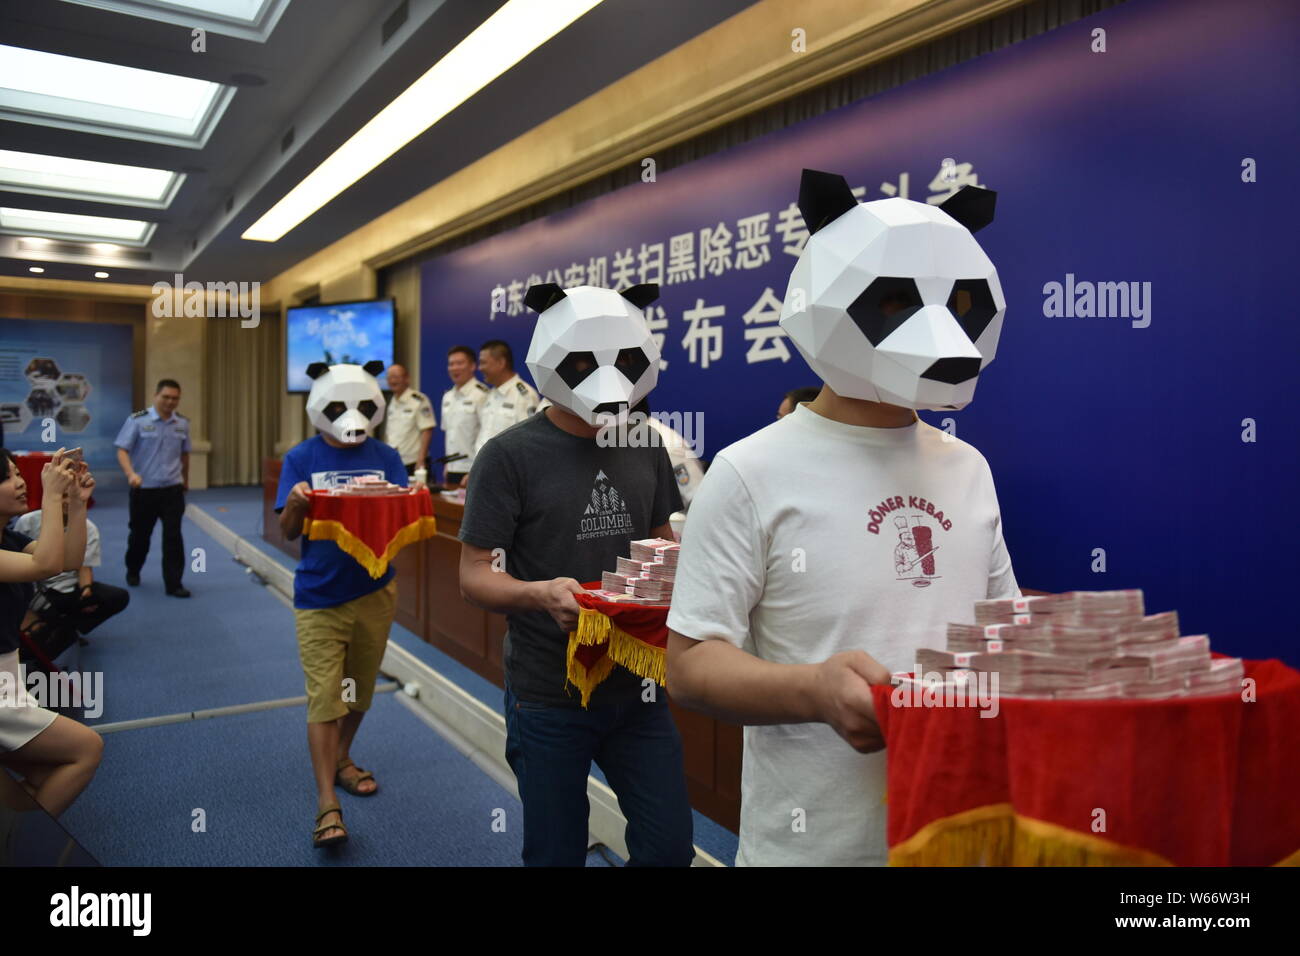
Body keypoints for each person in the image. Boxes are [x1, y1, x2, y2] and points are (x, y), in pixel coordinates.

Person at [665, 170, 1018, 866]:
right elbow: (690, 666)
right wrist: (813, 689)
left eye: (964, 303)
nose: (941, 331)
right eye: (895, 301)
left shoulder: (968, 467)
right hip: (813, 843)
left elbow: (1001, 629)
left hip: (956, 830)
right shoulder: (747, 471)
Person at [459, 282, 693, 867]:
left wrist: (683, 567)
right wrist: (538, 595)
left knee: (668, 849)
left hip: (639, 685)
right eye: (585, 362)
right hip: (549, 691)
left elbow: (661, 539)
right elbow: (473, 575)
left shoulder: (645, 445)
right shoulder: (508, 456)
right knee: (556, 851)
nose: (605, 379)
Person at [275, 361, 408, 848]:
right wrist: (295, 504)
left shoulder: (387, 455)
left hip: (375, 592)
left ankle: (343, 756)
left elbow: (401, 525)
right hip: (319, 595)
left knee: (358, 691)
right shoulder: (300, 456)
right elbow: (288, 532)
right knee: (325, 696)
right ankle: (326, 800)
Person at [0, 448, 103, 817]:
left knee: (43, 780)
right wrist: (51, 496)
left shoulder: (8, 539)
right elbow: (45, 564)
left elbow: (67, 562)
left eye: (18, 473)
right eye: (8, 476)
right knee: (87, 749)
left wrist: (76, 503)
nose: (20, 481)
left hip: (8, 678)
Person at [14, 498, 128, 649]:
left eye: (72, 495)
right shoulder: (27, 522)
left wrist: (86, 592)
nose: (67, 500)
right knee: (40, 631)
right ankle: (60, 627)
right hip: (37, 589)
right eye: (63, 495)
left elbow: (83, 567)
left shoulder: (88, 527)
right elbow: (20, 570)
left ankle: (67, 627)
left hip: (69, 589)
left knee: (118, 597)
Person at [115, 379, 191, 597]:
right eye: (165, 397)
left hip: (172, 490)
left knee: (173, 537)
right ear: (156, 396)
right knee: (140, 536)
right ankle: (133, 569)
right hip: (144, 490)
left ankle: (174, 583)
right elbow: (122, 450)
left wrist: (185, 480)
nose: (170, 402)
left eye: (174, 398)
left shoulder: (182, 423)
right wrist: (131, 474)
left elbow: (185, 455)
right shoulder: (137, 420)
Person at [472, 340, 539, 460]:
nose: (479, 368)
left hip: (508, 474)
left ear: (501, 363)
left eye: (483, 363)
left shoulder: (524, 395)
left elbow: (530, 441)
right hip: (482, 468)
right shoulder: (490, 395)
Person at [440, 345, 488, 487]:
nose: (454, 368)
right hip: (452, 469)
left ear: (473, 366)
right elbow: (450, 434)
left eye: (460, 363)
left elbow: (487, 434)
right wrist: (447, 466)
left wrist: (476, 469)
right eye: (451, 364)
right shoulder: (447, 397)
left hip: (473, 469)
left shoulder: (482, 394)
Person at [383, 363, 436, 477]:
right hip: (395, 461)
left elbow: (427, 430)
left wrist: (421, 460)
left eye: (396, 377)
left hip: (413, 462)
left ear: (407, 379)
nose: (393, 381)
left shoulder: (418, 400)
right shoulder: (392, 401)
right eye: (389, 377)